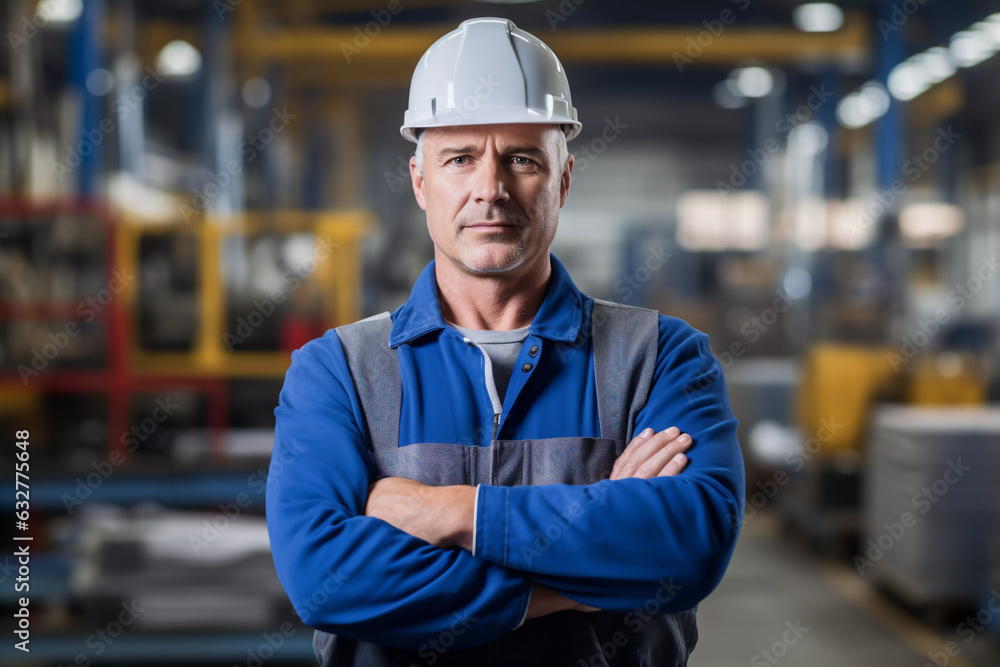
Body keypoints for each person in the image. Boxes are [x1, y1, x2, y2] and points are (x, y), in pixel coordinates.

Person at [266, 16, 745, 667]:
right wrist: (581, 578)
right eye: (460, 159)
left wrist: (452, 512)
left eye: (521, 159)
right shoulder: (339, 371)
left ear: (563, 180)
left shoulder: (661, 358)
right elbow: (324, 578)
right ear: (420, 182)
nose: (490, 188)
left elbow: (690, 546)